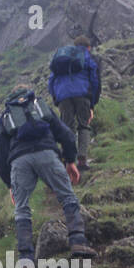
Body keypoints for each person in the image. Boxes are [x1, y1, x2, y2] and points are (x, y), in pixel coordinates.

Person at [0, 84, 97, 265]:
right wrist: (70, 160)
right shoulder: (39, 106)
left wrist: (10, 184)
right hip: (47, 154)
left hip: (20, 160)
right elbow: (65, 133)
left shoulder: (6, 116)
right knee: (67, 196)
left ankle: (25, 257)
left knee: (22, 207)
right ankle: (78, 242)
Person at [47, 35, 101, 170]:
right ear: (88, 47)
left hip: (63, 96)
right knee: (84, 125)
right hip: (82, 94)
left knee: (67, 128)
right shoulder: (88, 57)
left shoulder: (62, 57)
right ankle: (82, 159)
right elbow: (95, 80)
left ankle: (68, 160)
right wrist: (92, 103)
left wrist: (56, 98)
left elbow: (51, 80)